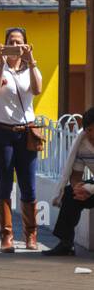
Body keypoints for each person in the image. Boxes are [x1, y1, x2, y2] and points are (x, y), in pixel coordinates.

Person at [0, 27, 43, 252]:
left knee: (28, 186)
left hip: (26, 133)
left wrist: (32, 60)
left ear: (26, 45)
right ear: (5, 43)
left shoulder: (30, 69)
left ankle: (31, 235)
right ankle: (6, 236)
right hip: (0, 133)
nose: (15, 45)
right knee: (4, 184)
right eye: (11, 41)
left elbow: (37, 89)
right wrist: (1, 63)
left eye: (19, 42)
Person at [42, 108, 94, 256]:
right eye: (88, 130)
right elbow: (76, 173)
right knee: (71, 194)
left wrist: (90, 189)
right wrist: (79, 188)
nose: (91, 134)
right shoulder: (82, 144)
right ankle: (66, 243)